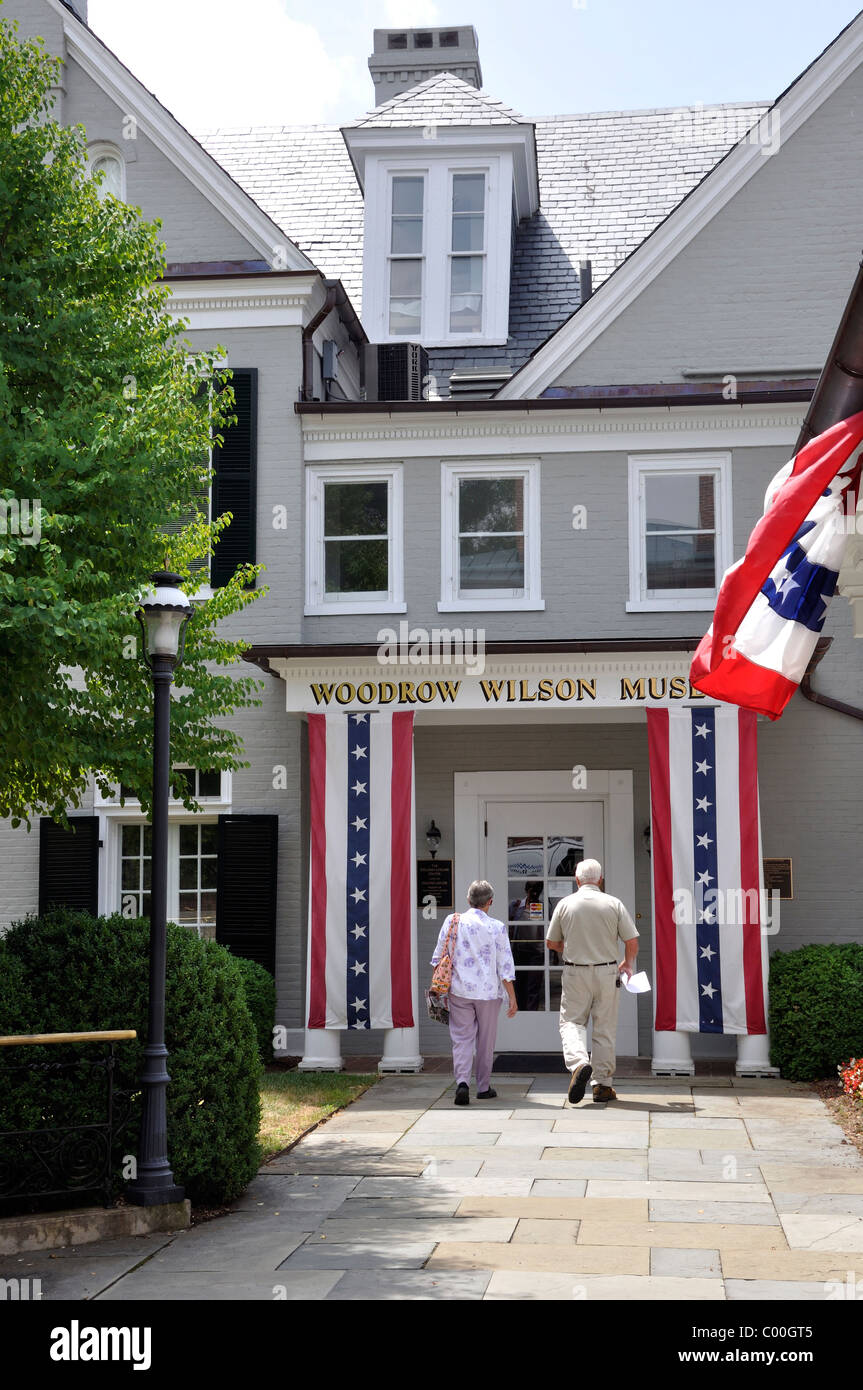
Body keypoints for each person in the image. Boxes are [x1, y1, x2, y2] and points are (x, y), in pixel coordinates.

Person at [545, 858, 638, 1104]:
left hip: (576, 971)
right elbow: (632, 942)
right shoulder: (613, 903)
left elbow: (551, 943)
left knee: (571, 1022)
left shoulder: (565, 904)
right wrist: (627, 964)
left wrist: (570, 946)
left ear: (577, 880)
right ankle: (602, 1086)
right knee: (604, 1028)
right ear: (600, 880)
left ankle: (578, 1063)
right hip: (607, 971)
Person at [431, 879, 518, 1106]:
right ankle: (483, 1086)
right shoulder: (497, 927)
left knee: (461, 1038)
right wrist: (512, 997)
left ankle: (462, 1083)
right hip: (488, 994)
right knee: (486, 1041)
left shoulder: (453, 921)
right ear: (490, 902)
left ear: (468, 900)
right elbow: (505, 966)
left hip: (459, 991)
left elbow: (438, 958)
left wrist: (441, 985)